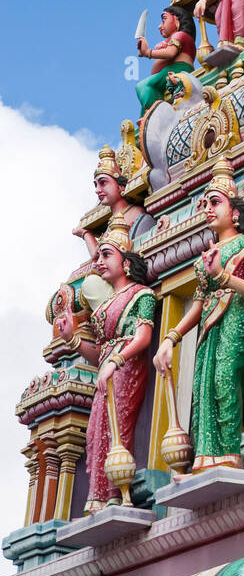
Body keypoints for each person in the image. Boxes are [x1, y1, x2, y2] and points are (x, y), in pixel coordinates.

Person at [153, 159, 244, 472]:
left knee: (223, 380)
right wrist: (170, 339)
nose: (208, 209)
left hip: (236, 319)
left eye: (215, 202)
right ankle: (205, 456)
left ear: (236, 212)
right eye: (204, 203)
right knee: (201, 386)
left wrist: (223, 276)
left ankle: (228, 452)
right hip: (210, 326)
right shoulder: (205, 259)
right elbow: (199, 303)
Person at [59, 216, 156, 512]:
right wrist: (73, 339)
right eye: (98, 255)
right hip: (108, 368)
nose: (99, 261)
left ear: (126, 262)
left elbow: (142, 337)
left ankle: (116, 492)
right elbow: (98, 351)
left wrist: (116, 360)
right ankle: (98, 497)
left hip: (126, 367)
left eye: (106, 255)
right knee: (95, 433)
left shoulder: (142, 295)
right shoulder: (103, 308)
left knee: (118, 428)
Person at [135, 6, 196, 116]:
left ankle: (153, 115)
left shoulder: (180, 35)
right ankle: (145, 117)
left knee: (144, 86)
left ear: (177, 20)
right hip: (166, 74)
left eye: (164, 20)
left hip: (178, 69)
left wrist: (148, 52)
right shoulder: (173, 38)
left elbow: (171, 52)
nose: (159, 26)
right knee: (146, 92)